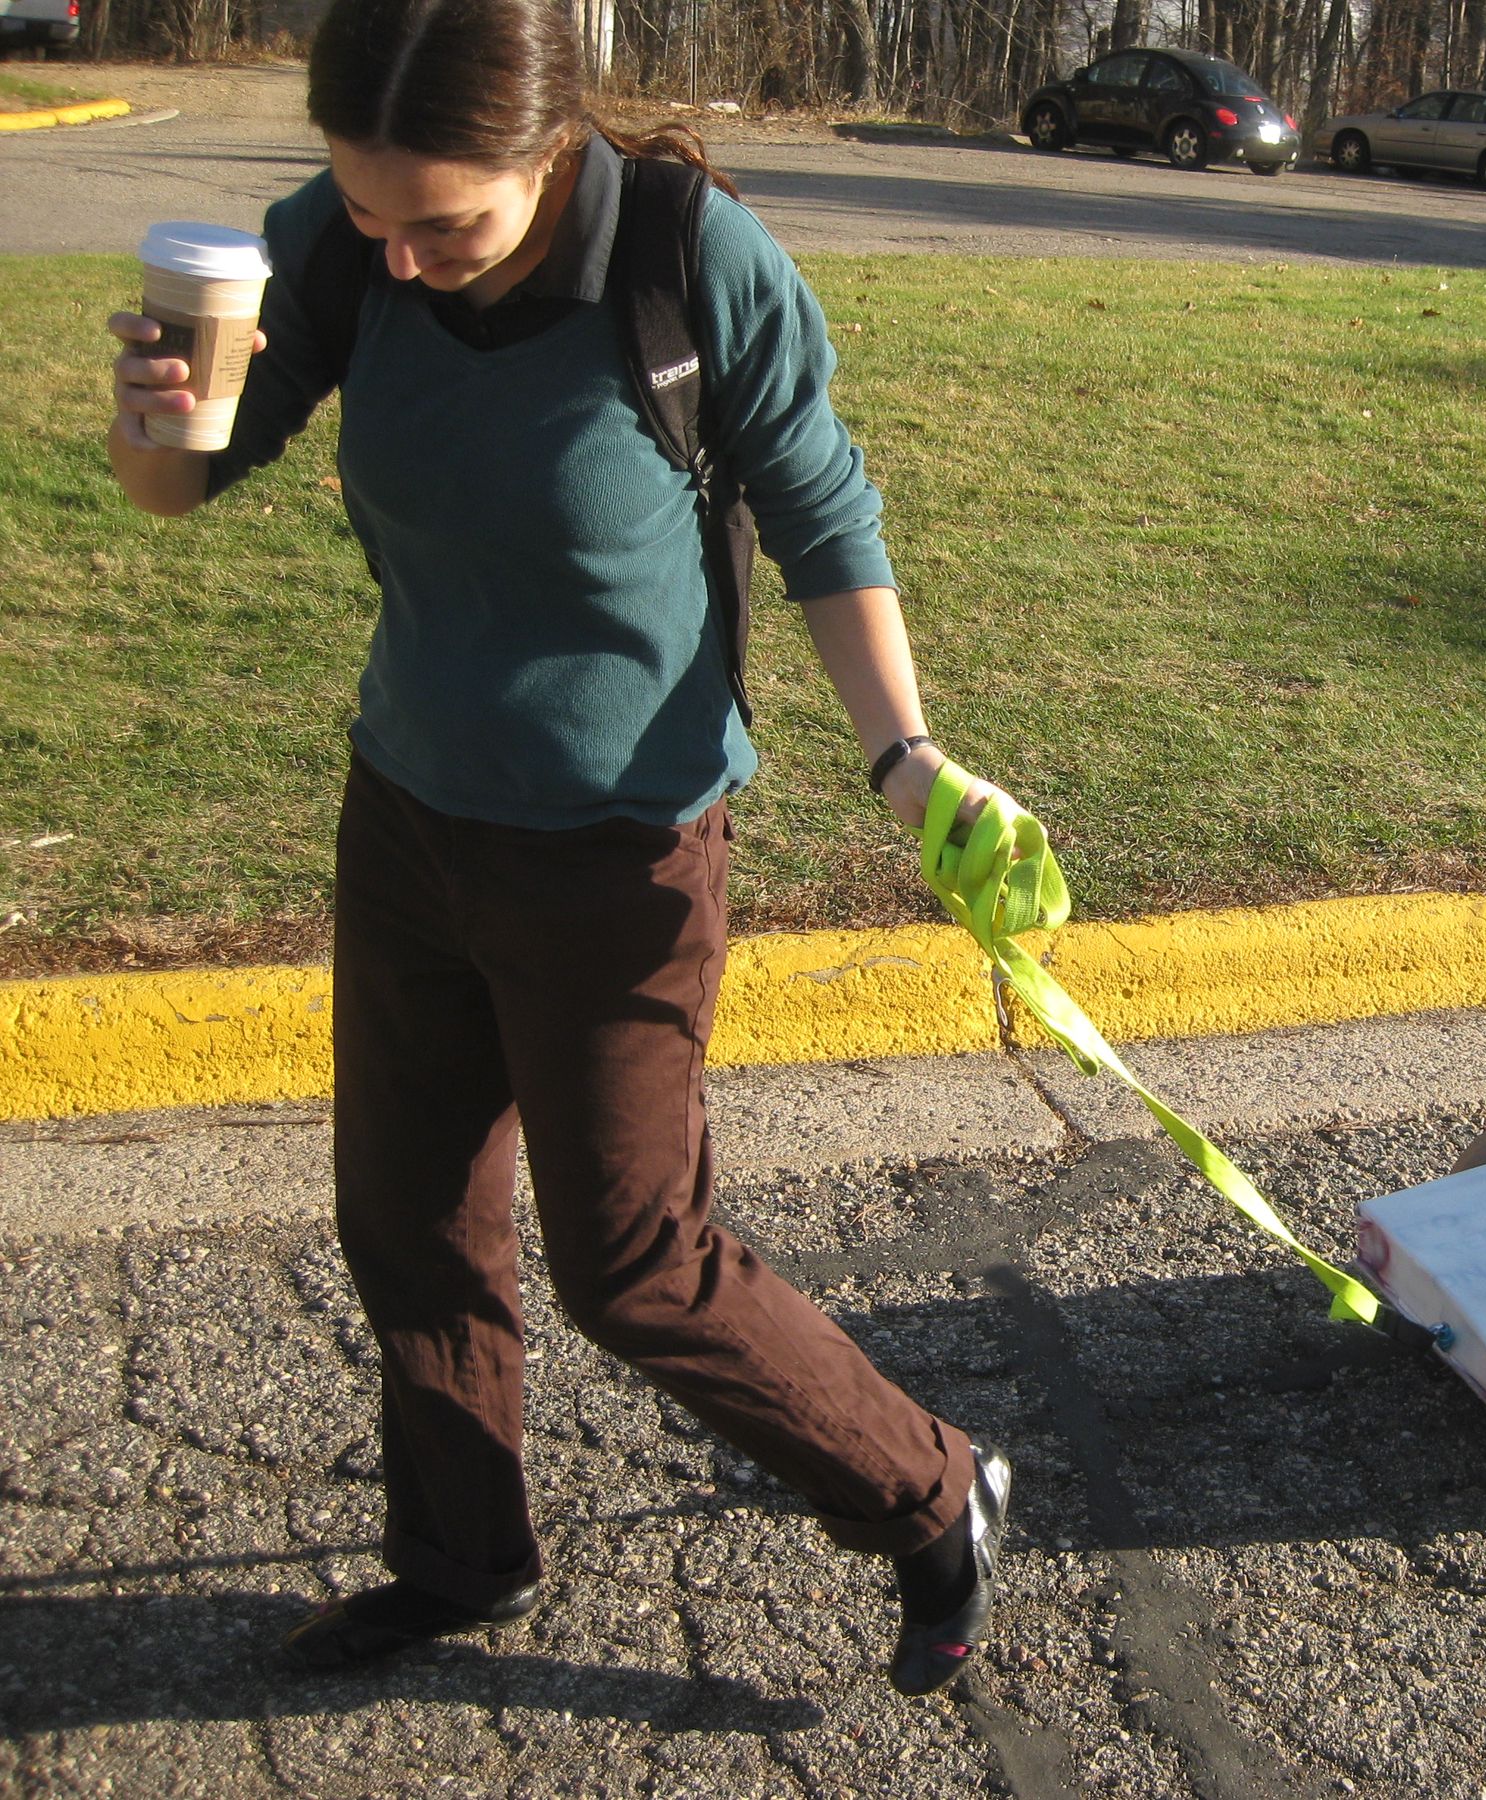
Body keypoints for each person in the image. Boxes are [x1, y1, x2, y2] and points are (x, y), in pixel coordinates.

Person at [104, 0, 1011, 1698]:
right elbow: (178, 495)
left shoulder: (687, 257)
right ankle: (462, 1561)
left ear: (548, 149)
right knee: (410, 1219)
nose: (405, 259)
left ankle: (930, 1488)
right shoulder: (338, 250)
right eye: (369, 215)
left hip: (621, 858)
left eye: (444, 221)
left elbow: (821, 507)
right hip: (411, 816)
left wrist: (904, 755)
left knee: (635, 1267)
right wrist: (157, 415)